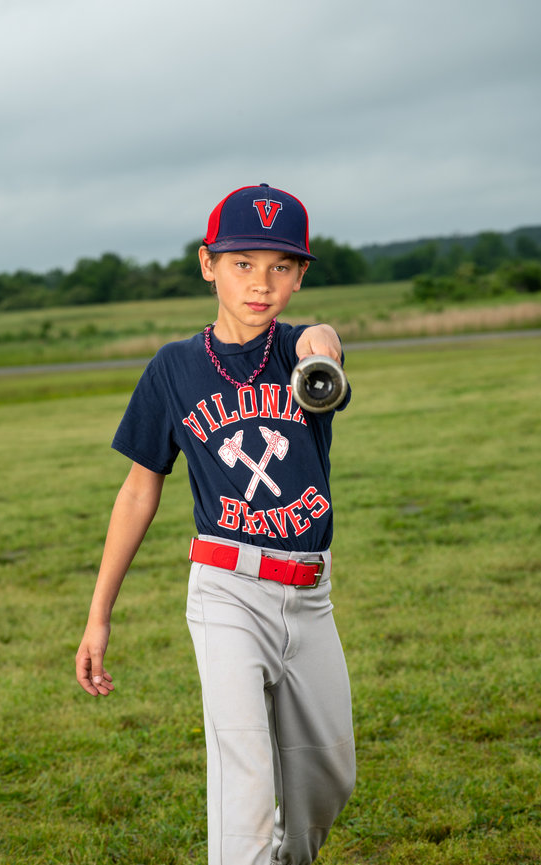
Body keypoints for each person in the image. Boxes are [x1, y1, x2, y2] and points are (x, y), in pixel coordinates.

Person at [75, 183, 356, 865]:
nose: (261, 283)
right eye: (242, 263)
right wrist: (98, 615)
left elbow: (325, 347)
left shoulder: (303, 355)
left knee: (327, 778)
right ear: (208, 264)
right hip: (227, 589)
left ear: (300, 275)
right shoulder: (174, 368)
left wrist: (326, 338)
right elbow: (138, 492)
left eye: (282, 266)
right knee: (245, 781)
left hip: (309, 594)